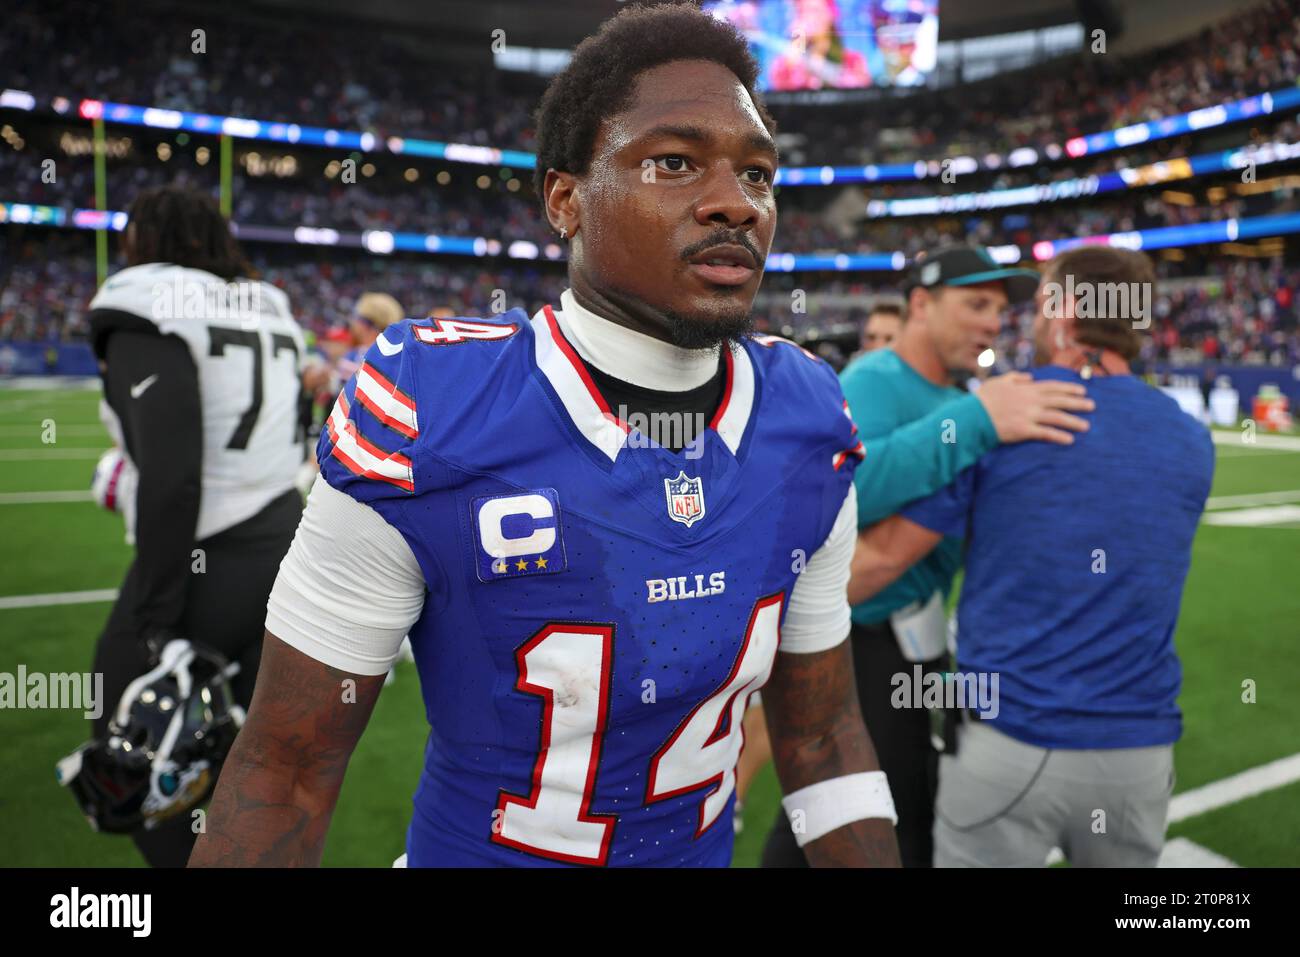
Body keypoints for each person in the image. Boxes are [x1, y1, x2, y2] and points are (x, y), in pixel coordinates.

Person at [192, 3, 901, 869]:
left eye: (758, 174)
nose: (734, 204)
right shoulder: (432, 411)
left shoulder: (806, 421)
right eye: (674, 163)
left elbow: (823, 736)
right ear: (565, 198)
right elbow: (287, 768)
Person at [847, 246, 1214, 867]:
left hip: (1005, 742)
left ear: (1062, 316)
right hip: (1137, 751)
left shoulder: (1004, 416)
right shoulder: (1192, 441)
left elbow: (879, 563)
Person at [759, 245, 1096, 868]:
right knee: (848, 813)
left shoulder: (963, 395)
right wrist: (978, 420)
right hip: (859, 641)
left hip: (922, 639)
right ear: (921, 304)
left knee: (906, 804)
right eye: (976, 304)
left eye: (998, 309)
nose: (993, 323)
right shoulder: (874, 379)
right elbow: (842, 489)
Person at [73, 185, 307, 867]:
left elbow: (174, 474)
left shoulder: (147, 298)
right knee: (246, 763)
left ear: (143, 240)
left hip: (206, 554)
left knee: (133, 762)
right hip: (284, 545)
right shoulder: (270, 304)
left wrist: (155, 613)